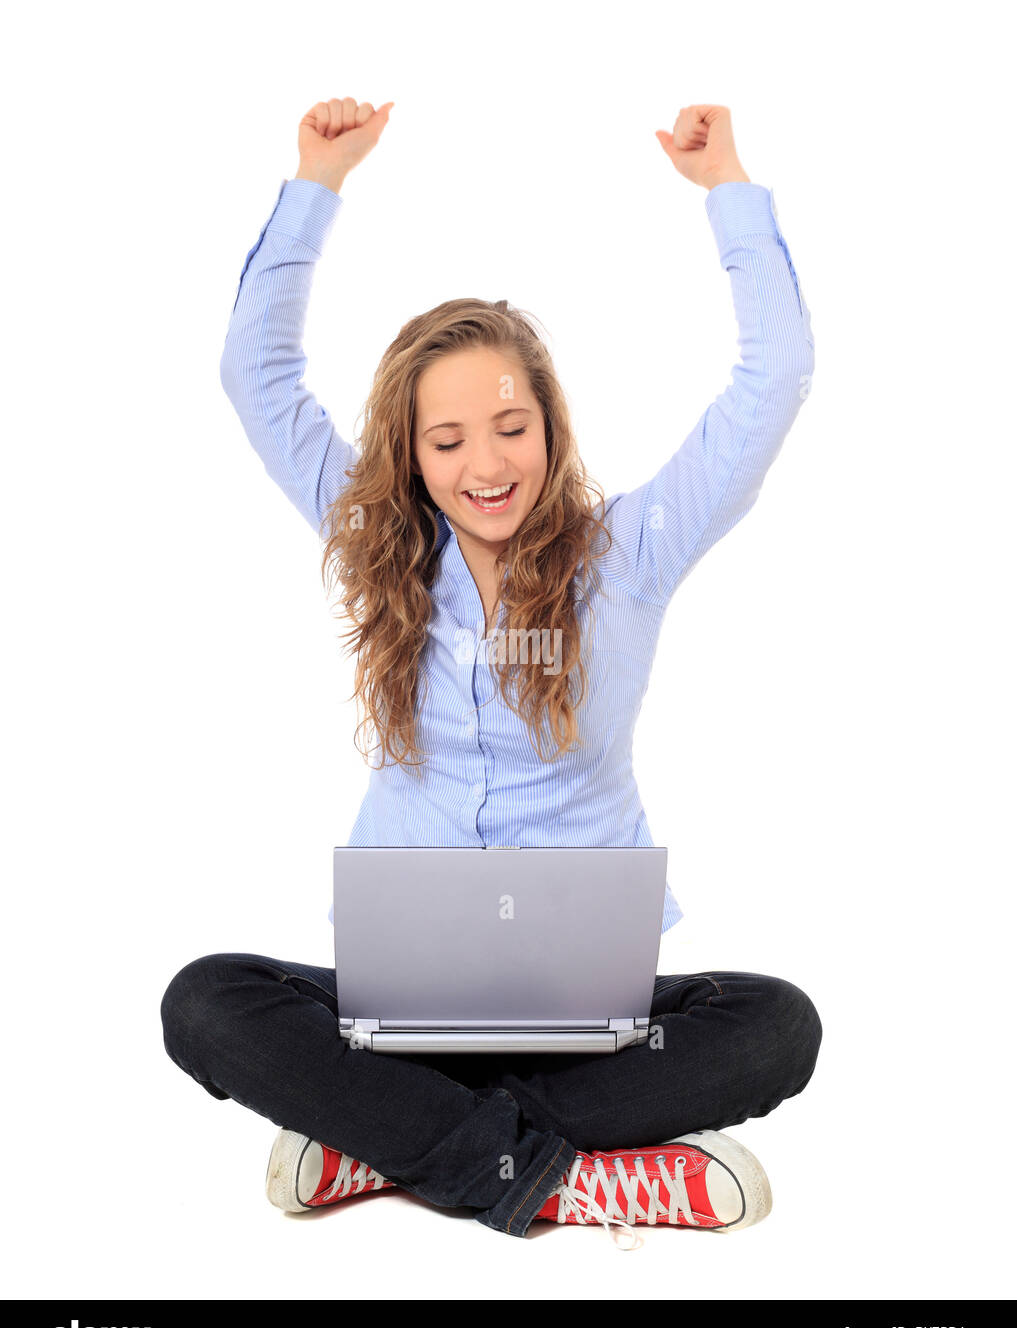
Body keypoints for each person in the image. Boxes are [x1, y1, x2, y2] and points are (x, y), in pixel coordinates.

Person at [161, 96, 821, 1249]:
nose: (485, 464)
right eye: (446, 439)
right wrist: (316, 182)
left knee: (775, 1024)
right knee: (206, 1000)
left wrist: (730, 192)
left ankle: (386, 1144)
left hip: (589, 1024)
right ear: (410, 457)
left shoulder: (632, 554)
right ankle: (567, 1177)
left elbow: (773, 381)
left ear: (549, 426)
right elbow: (253, 376)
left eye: (508, 426)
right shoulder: (374, 541)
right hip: (398, 1019)